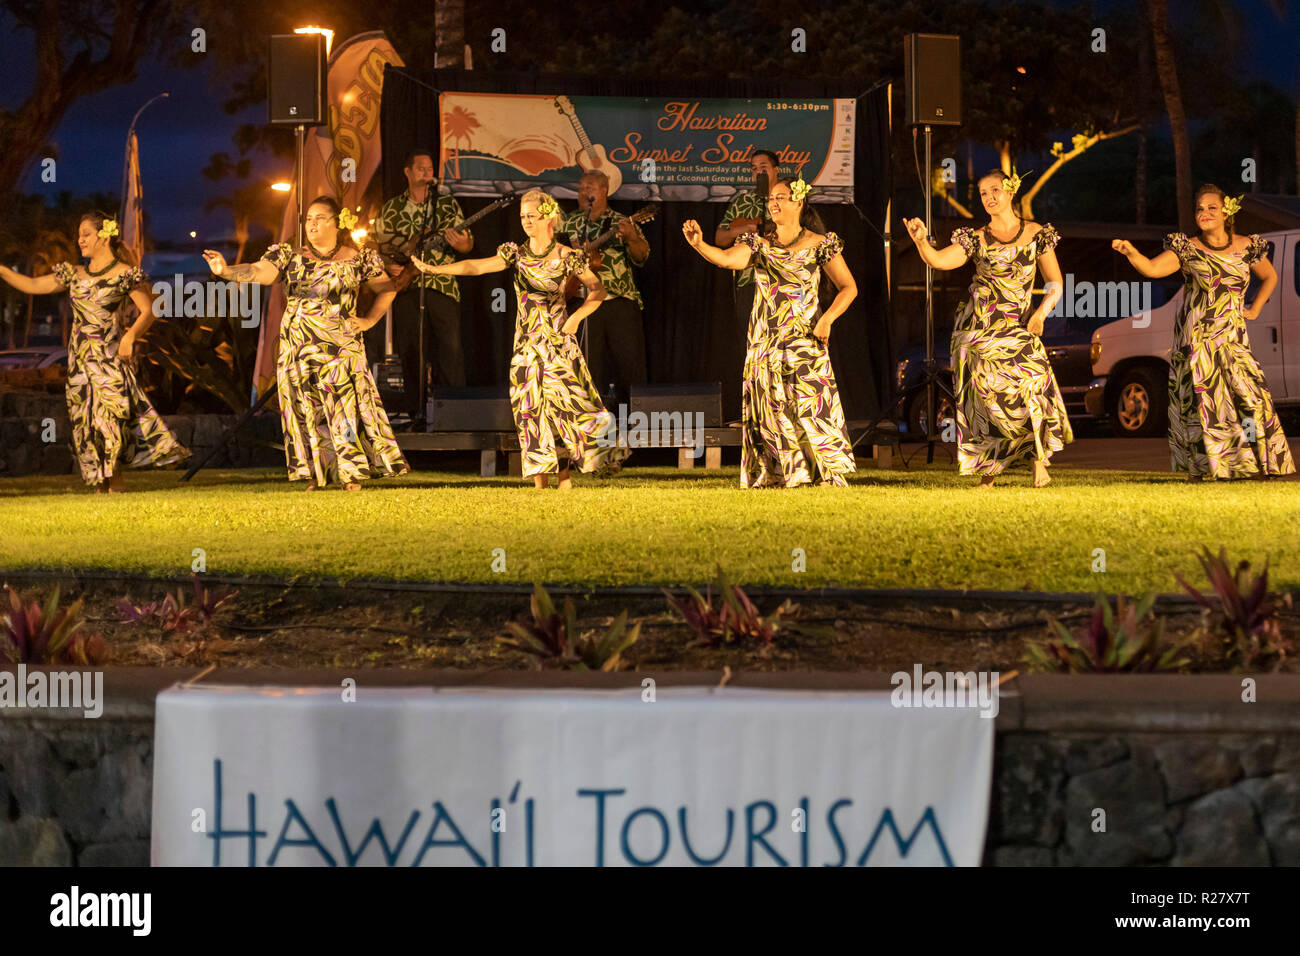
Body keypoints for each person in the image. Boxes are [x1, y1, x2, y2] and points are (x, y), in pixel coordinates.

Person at [412, 189, 628, 489]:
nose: (526, 221)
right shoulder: (515, 253)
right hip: (526, 345)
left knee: (565, 408)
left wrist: (576, 319)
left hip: (557, 344)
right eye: (523, 216)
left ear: (548, 217)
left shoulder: (568, 257)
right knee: (530, 412)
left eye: (532, 216)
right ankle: (540, 483)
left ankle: (568, 476)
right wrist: (436, 269)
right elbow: (475, 266)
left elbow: (598, 292)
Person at [202, 195, 409, 490]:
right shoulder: (289, 256)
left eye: (319, 218)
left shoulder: (358, 257)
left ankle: (351, 472)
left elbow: (387, 289)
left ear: (337, 223)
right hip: (299, 348)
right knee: (307, 411)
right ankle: (317, 473)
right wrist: (226, 271)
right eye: (309, 219)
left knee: (345, 409)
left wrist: (369, 321)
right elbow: (259, 272)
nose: (312, 224)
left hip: (341, 347)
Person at [683, 177, 857, 488]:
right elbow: (726, 260)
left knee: (809, 406)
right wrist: (700, 245)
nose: (773, 203)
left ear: (798, 201)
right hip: (767, 343)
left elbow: (849, 288)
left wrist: (827, 318)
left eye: (781, 197)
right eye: (770, 198)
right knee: (771, 409)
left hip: (806, 340)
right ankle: (778, 474)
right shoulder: (758, 244)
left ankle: (821, 474)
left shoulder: (820, 243)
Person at [903, 168, 1072, 488]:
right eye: (983, 193)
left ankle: (1038, 460)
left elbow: (1055, 283)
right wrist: (922, 243)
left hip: (1018, 326)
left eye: (995, 190)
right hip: (977, 330)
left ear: (1010, 191)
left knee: (1033, 383)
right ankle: (989, 473)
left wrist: (1041, 313)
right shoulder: (976, 238)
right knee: (985, 403)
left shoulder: (1037, 233)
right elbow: (940, 261)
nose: (990, 198)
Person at [1113, 184, 1295, 479]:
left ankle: (1263, 462)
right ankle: (1219, 467)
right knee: (1210, 404)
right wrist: (1131, 252)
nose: (1205, 213)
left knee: (1252, 397)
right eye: (1200, 209)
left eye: (1212, 207)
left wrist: (1256, 308)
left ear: (1226, 212)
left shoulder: (1248, 245)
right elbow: (1151, 269)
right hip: (1199, 338)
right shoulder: (1188, 249)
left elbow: (1270, 276)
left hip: (1233, 337)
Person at [0, 210, 189, 492]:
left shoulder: (125, 274)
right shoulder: (74, 275)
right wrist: (2, 270)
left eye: (85, 234)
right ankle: (101, 487)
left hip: (109, 359)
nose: (80, 241)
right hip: (79, 363)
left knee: (109, 418)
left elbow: (150, 310)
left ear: (103, 237)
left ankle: (116, 482)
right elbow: (32, 285)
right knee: (85, 421)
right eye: (79, 236)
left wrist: (130, 336)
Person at [373, 148, 472, 422]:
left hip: (442, 284)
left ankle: (455, 415)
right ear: (407, 172)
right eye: (421, 169)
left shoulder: (446, 204)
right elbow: (379, 246)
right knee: (411, 349)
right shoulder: (392, 208)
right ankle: (416, 413)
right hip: (407, 288)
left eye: (430, 169)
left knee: (449, 350)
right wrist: (390, 265)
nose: (427, 173)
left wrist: (461, 243)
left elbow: (467, 243)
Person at [558, 169, 649, 408]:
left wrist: (631, 238)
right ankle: (588, 423)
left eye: (589, 187)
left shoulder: (622, 221)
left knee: (629, 365)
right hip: (581, 300)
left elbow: (642, 257)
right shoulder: (568, 222)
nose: (583, 192)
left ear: (604, 191)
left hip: (618, 299)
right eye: (580, 188)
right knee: (586, 366)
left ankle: (635, 424)